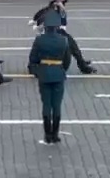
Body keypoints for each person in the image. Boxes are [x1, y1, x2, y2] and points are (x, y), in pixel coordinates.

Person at [28, 9, 71, 145]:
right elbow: (67, 60)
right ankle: (55, 134)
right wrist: (61, 70)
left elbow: (33, 58)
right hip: (58, 73)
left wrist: (37, 71)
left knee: (46, 105)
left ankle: (47, 134)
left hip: (44, 73)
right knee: (56, 105)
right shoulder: (63, 40)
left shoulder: (40, 40)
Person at [30, 0, 95, 74]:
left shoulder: (58, 4)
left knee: (74, 48)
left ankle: (82, 62)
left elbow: (44, 10)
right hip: (56, 31)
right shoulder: (55, 7)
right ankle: (83, 67)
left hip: (58, 30)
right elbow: (44, 14)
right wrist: (37, 22)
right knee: (73, 47)